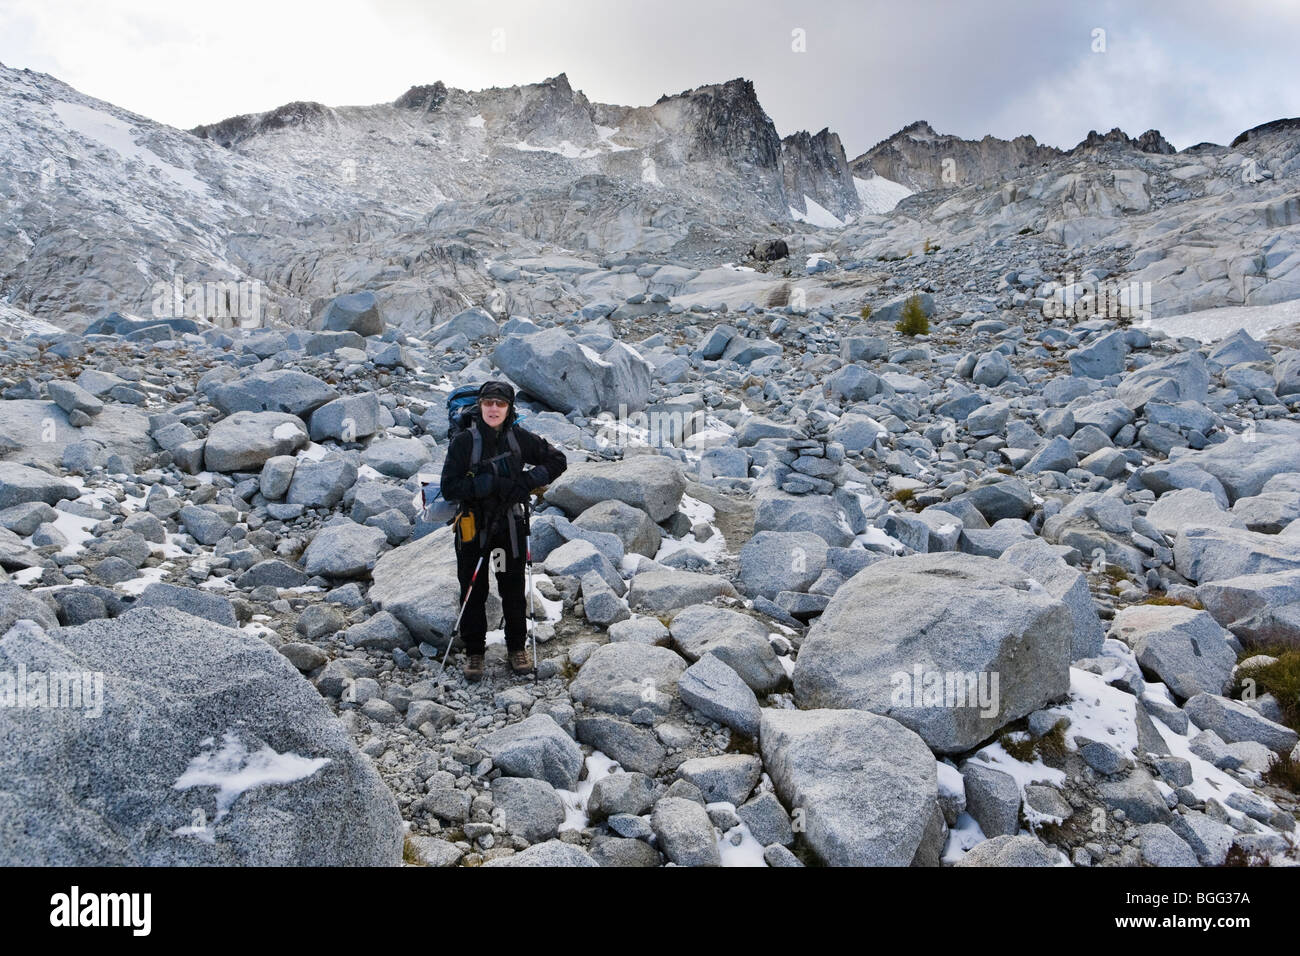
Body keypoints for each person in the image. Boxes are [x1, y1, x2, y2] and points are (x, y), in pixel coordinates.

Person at [439, 380, 567, 681]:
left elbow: (558, 459)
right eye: (488, 403)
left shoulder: (519, 438)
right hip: (473, 524)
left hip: (510, 523)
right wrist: (481, 486)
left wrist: (529, 479)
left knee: (512, 588)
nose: (493, 408)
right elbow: (448, 488)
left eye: (500, 403)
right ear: (480, 405)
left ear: (509, 409)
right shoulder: (464, 442)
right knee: (473, 589)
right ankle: (475, 652)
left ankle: (516, 648)